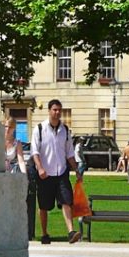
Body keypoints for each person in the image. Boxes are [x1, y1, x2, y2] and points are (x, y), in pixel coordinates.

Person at [29, 99, 81, 245]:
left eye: (59, 110)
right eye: (55, 110)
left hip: (62, 172)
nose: (57, 113)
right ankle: (45, 233)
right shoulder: (39, 129)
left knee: (66, 200)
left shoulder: (65, 130)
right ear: (49, 111)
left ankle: (71, 232)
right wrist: (40, 168)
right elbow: (35, 152)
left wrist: (76, 170)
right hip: (45, 174)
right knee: (44, 206)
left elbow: (70, 152)